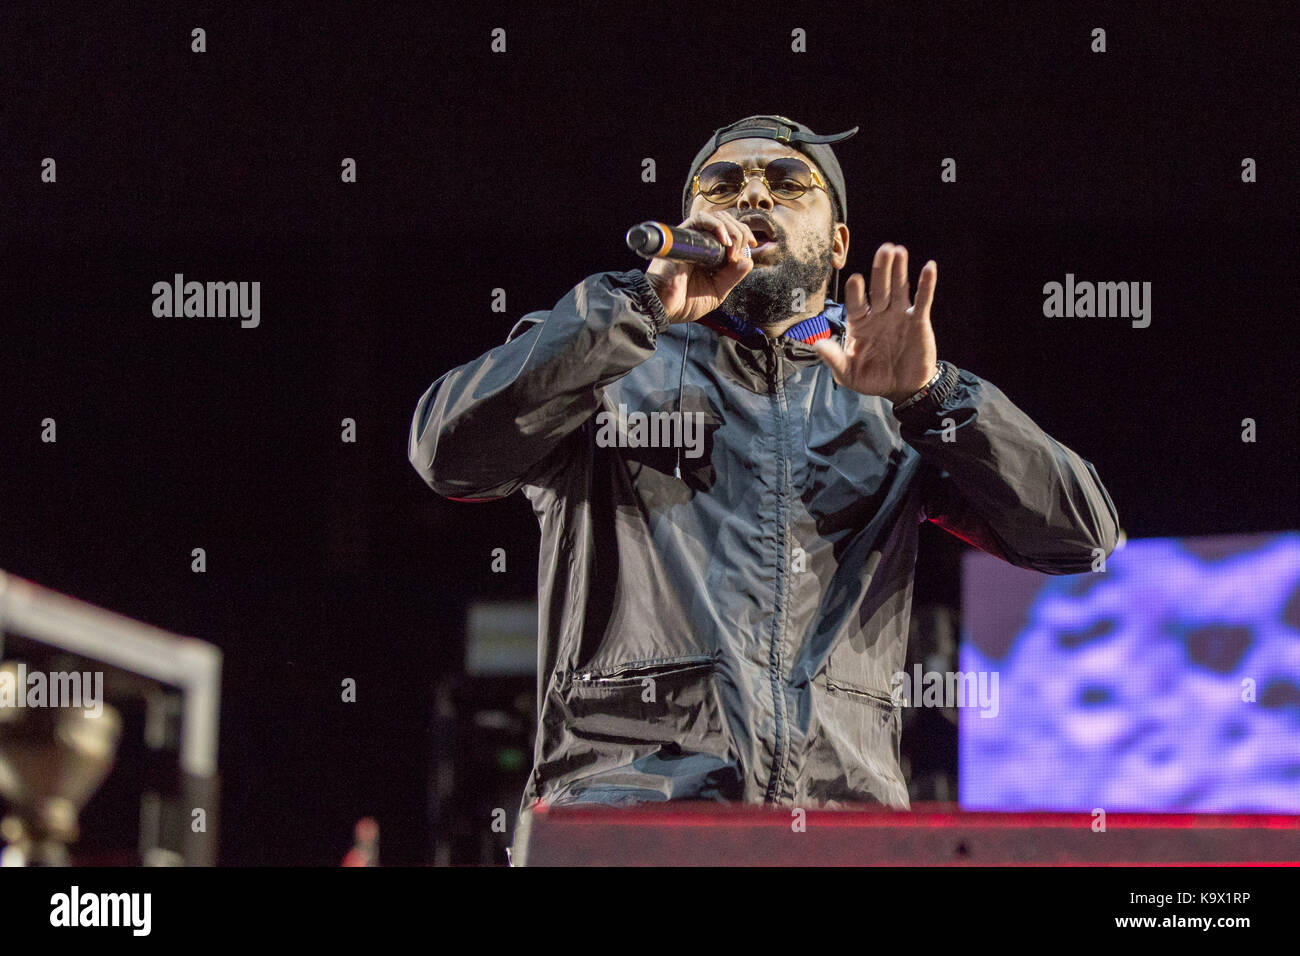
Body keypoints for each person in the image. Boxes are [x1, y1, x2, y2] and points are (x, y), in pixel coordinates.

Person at [407, 114, 1120, 823]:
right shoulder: (607, 360)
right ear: (688, 222)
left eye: (786, 183)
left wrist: (935, 399)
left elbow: (1082, 536)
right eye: (722, 185)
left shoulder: (890, 402)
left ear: (838, 242)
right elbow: (448, 454)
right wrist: (637, 308)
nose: (752, 197)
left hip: (842, 826)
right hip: (629, 818)